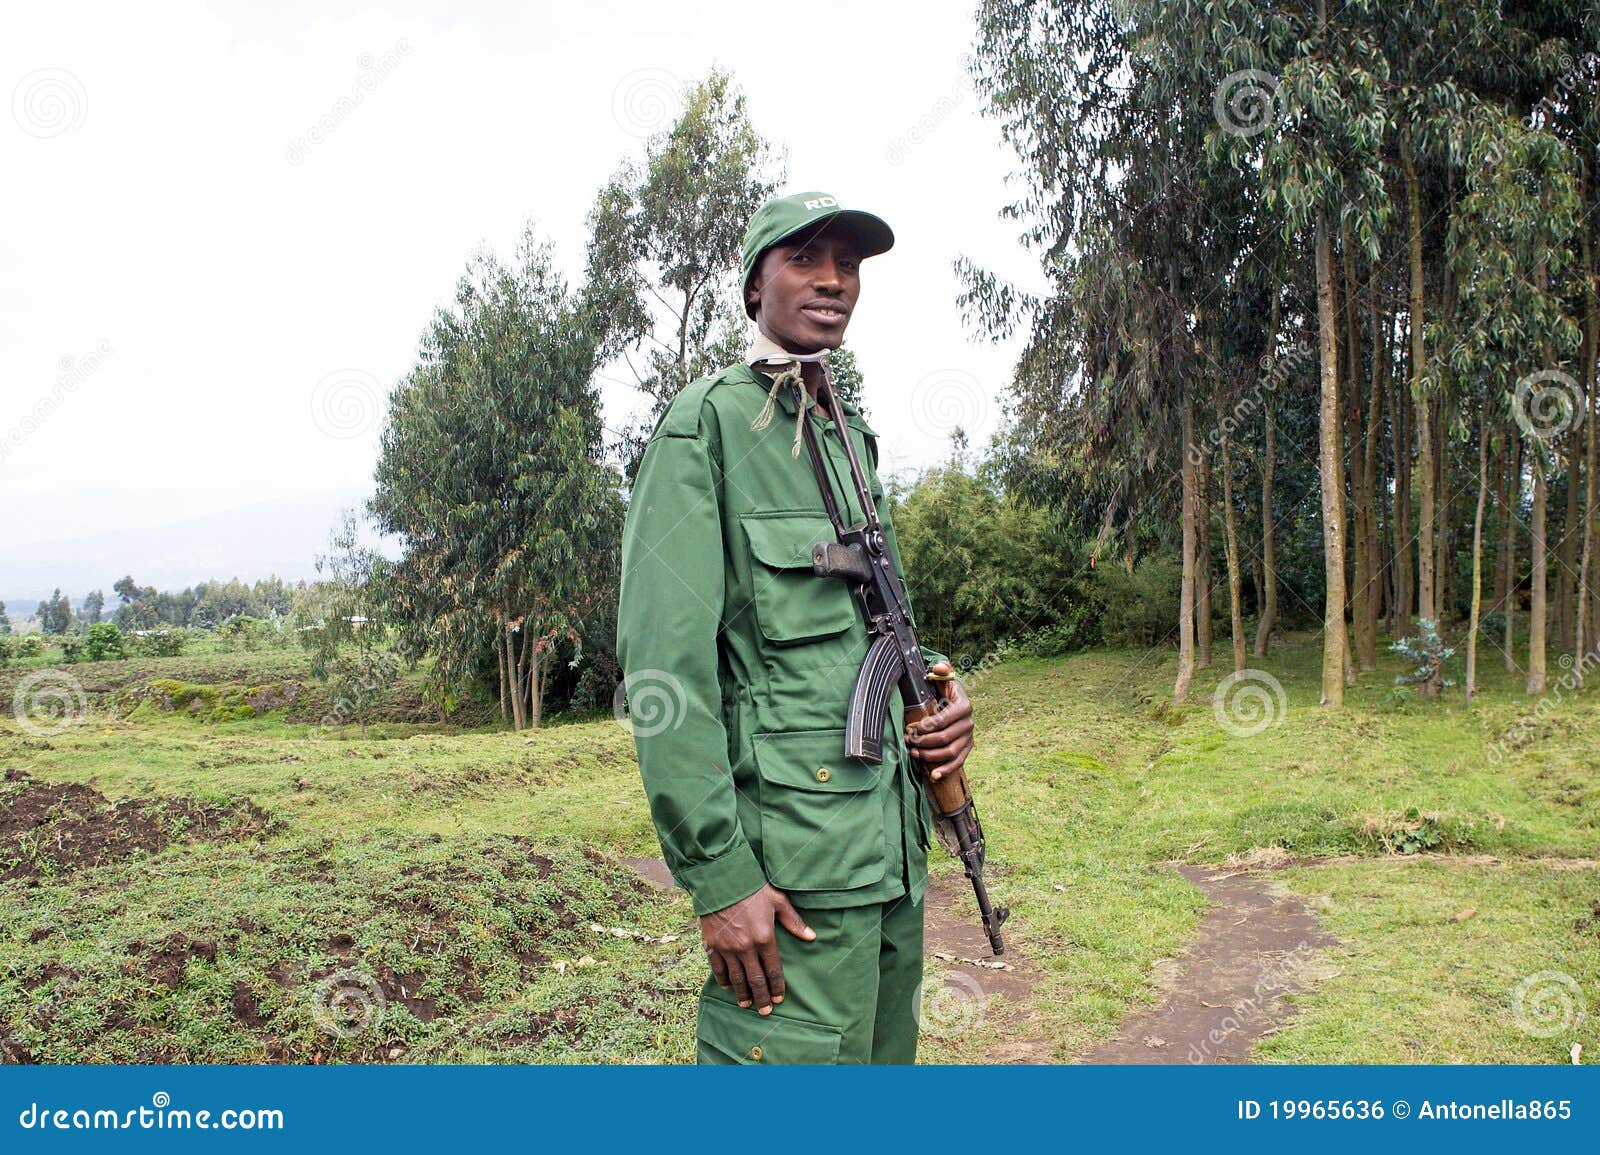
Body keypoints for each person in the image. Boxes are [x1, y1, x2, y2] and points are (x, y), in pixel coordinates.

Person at [616, 190, 976, 1064]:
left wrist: (936, 681)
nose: (832, 282)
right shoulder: (705, 426)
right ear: (753, 286)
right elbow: (665, 672)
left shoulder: (850, 436)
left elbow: (870, 627)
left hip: (885, 858)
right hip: (792, 879)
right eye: (805, 261)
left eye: (847, 266)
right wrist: (720, 876)